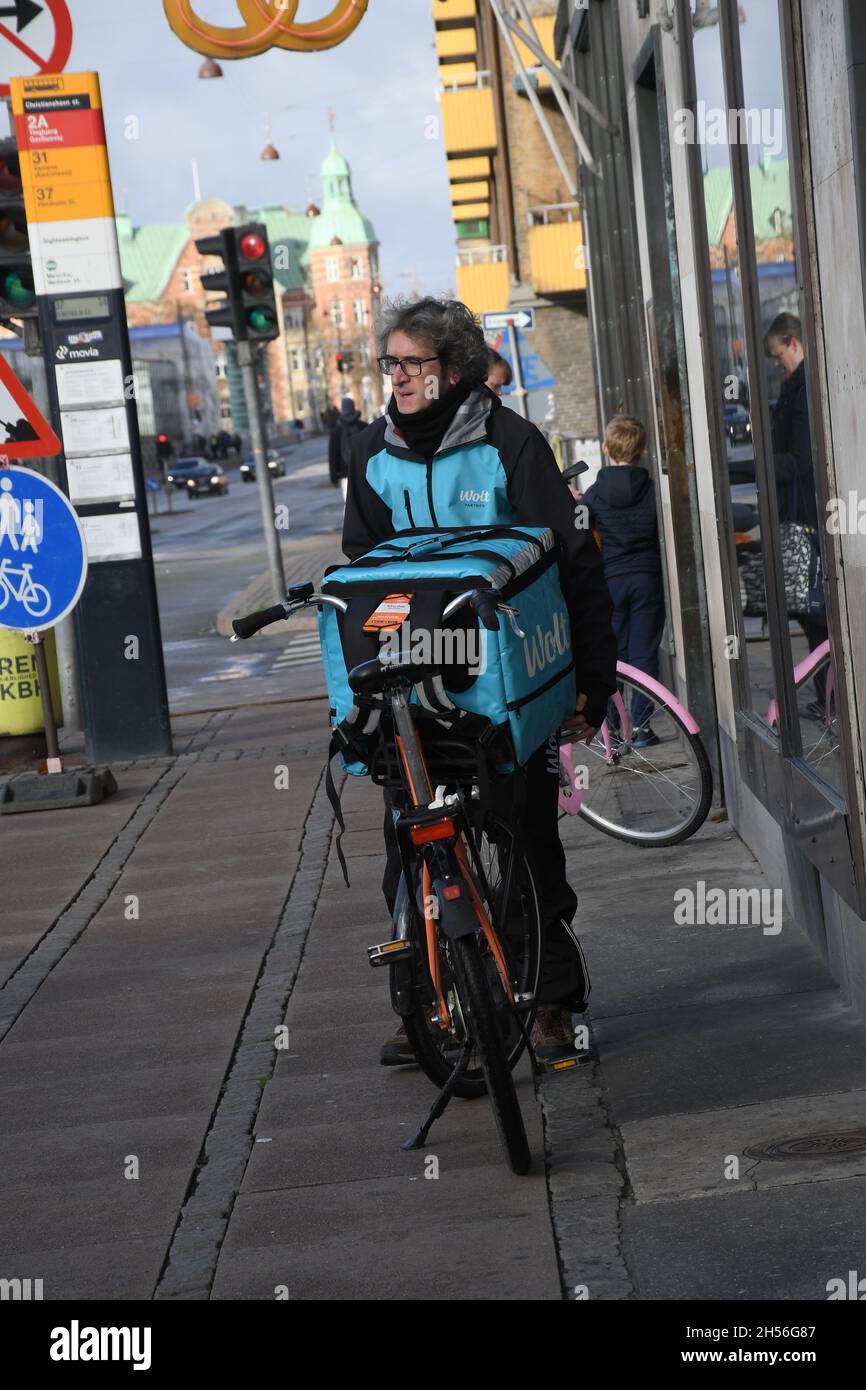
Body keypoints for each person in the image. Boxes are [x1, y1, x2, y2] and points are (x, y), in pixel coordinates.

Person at [342, 296, 618, 1063]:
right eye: (388, 363)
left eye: (410, 363)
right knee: (410, 845)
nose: (394, 377)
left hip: (501, 686)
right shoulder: (372, 454)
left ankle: (554, 1001)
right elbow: (362, 571)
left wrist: (594, 680)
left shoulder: (509, 443)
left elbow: (573, 563)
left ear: (453, 370)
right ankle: (426, 1008)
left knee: (527, 839)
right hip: (409, 688)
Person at [581, 416, 664, 745]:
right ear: (641, 452)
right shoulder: (653, 491)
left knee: (612, 654)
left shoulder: (596, 493)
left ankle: (613, 728)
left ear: (605, 448)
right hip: (647, 578)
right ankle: (643, 727)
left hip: (610, 581)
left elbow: (580, 530)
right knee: (644, 653)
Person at [764, 312, 827, 702]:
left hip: (806, 513)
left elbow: (803, 460)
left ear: (793, 342)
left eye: (777, 354)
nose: (776, 363)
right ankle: (827, 696)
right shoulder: (794, 387)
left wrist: (761, 465)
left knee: (814, 609)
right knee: (809, 610)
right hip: (797, 512)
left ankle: (830, 698)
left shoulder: (804, 389)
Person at [329, 396, 365, 502]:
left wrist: (334, 477)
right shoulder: (363, 427)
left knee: (349, 505)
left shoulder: (336, 432)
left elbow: (333, 456)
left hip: (346, 474)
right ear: (353, 408)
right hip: (364, 472)